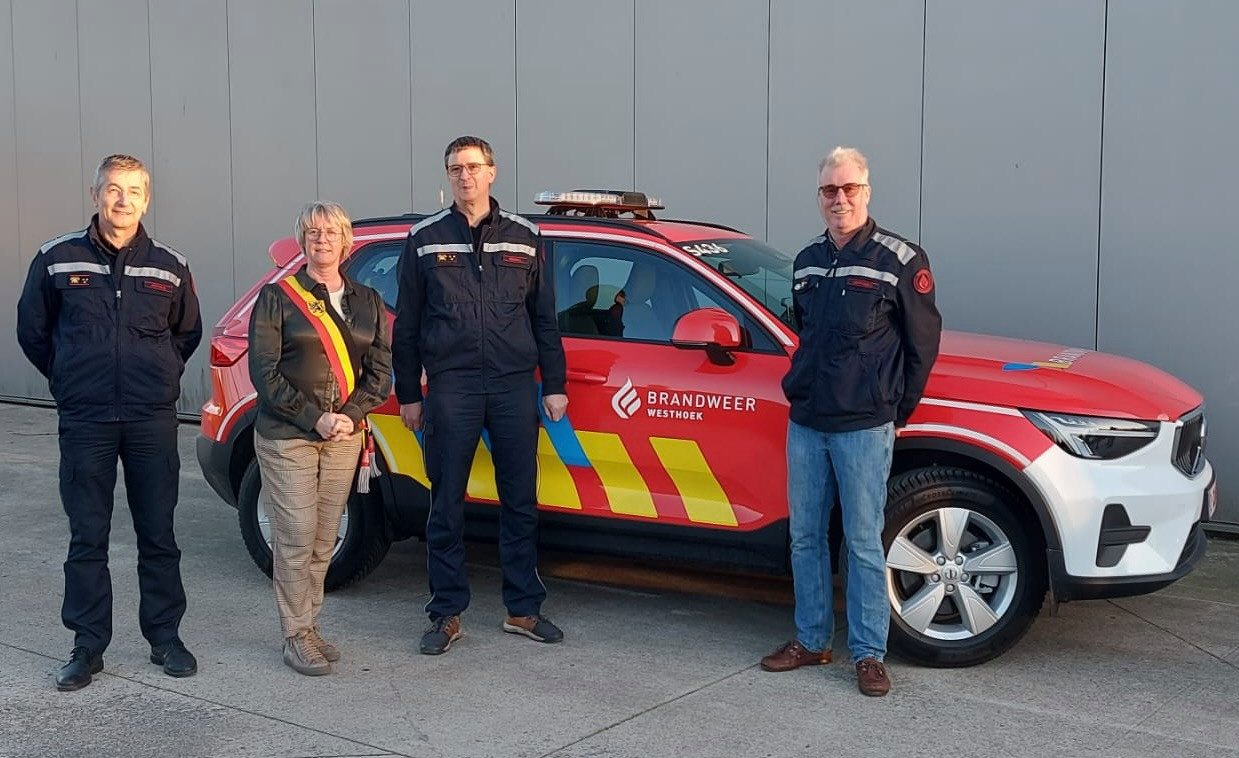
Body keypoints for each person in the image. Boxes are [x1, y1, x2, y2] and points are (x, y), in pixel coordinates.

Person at [16, 154, 202, 691]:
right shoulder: (57, 257)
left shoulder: (170, 265)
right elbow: (34, 332)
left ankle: (165, 638)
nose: (123, 200)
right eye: (113, 190)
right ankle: (86, 646)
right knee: (87, 537)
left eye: (134, 191)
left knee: (159, 534)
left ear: (147, 199)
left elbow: (185, 334)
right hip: (87, 419)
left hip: (149, 419)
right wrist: (70, 379)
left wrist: (160, 373)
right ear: (96, 194)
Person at [761, 146, 942, 696]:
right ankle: (811, 641)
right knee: (805, 538)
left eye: (848, 189)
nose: (839, 199)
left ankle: (868, 654)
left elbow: (922, 345)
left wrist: (895, 409)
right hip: (808, 420)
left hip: (865, 424)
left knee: (863, 542)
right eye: (828, 191)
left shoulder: (901, 259)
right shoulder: (808, 260)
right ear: (819, 196)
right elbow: (807, 334)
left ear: (867, 191)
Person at [393, 135, 568, 655]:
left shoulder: (525, 235)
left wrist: (553, 384)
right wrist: (409, 393)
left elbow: (545, 319)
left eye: (472, 167)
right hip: (452, 387)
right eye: (454, 169)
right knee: (445, 501)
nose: (464, 176)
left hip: (515, 385)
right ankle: (446, 612)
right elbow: (408, 325)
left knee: (521, 500)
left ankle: (522, 609)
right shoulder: (425, 238)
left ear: (492, 172)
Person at [248, 201, 392, 676]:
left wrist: (350, 415)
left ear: (346, 241)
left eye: (331, 232)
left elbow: (380, 373)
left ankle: (309, 625)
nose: (322, 240)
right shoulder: (277, 298)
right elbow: (265, 375)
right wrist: (316, 418)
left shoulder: (368, 300)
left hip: (344, 436)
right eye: (312, 233)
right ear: (303, 241)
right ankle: (294, 634)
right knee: (295, 536)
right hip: (287, 434)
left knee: (325, 537)